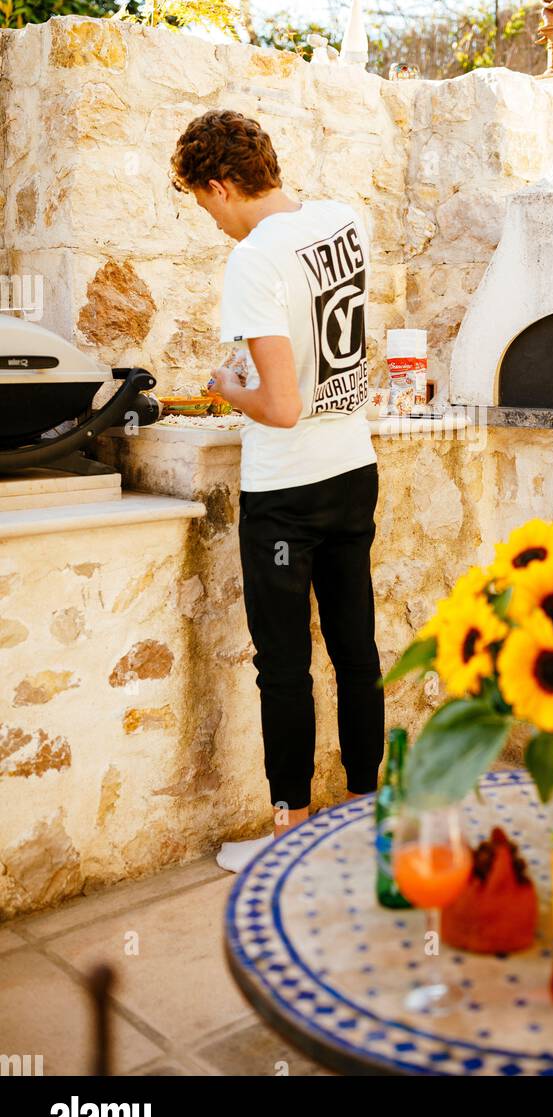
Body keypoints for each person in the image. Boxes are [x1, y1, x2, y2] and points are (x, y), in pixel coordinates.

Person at [170, 110, 384, 872]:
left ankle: (291, 832)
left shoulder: (254, 259)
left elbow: (283, 406)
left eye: (205, 203)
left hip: (288, 489)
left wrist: (231, 388)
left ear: (222, 186)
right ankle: (365, 814)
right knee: (357, 650)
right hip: (353, 470)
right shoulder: (340, 220)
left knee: (285, 666)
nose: (213, 221)